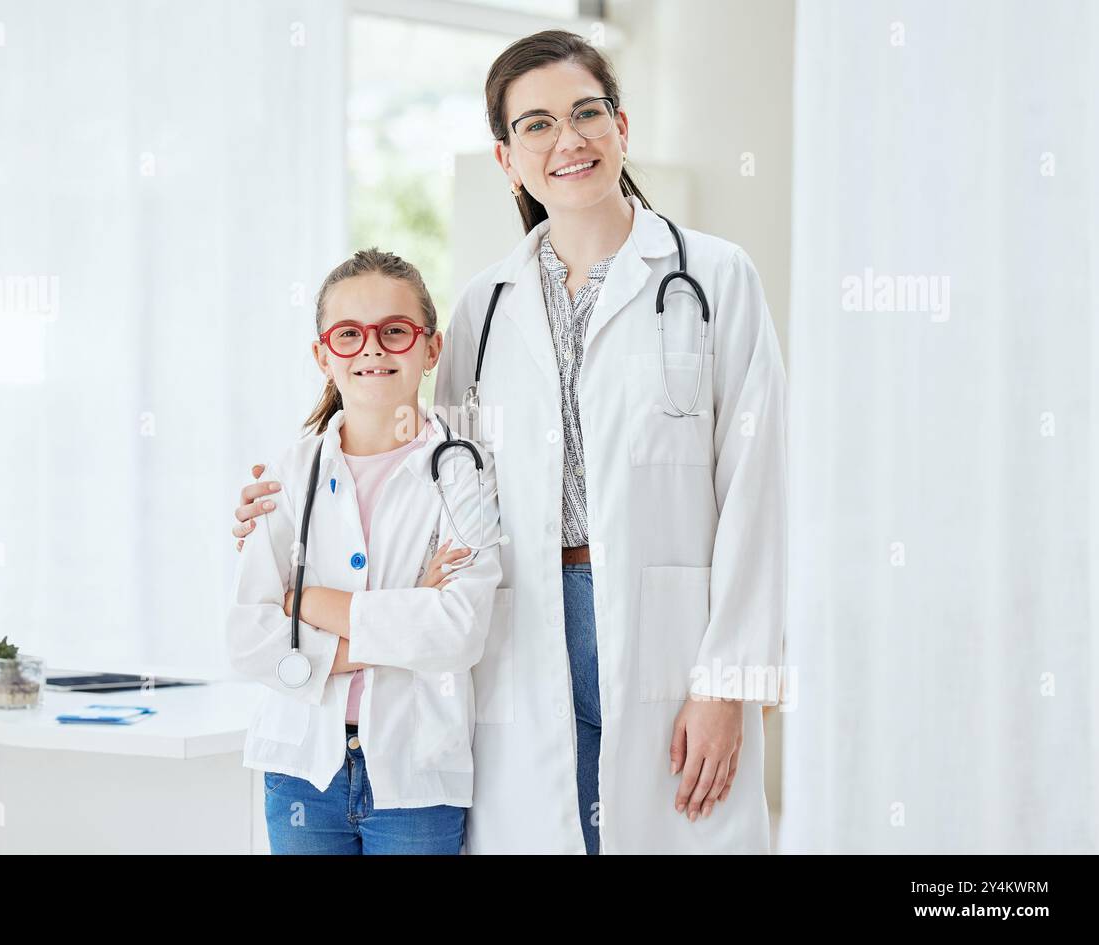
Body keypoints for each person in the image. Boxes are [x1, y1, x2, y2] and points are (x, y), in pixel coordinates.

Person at [235, 30, 787, 855]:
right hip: (519, 622)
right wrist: (290, 495)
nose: (568, 140)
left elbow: (759, 487)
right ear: (507, 157)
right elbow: (424, 465)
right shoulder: (483, 308)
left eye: (587, 114)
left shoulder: (713, 279)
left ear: (622, 128)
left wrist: (729, 681)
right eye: (535, 125)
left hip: (668, 630)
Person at [226, 249, 504, 854]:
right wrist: (405, 615)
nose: (373, 349)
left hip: (416, 775)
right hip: (303, 769)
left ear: (431, 350)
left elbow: (458, 633)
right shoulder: (287, 474)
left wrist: (307, 603)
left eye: (395, 331)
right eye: (349, 334)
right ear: (324, 356)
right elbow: (248, 638)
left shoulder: (461, 473)